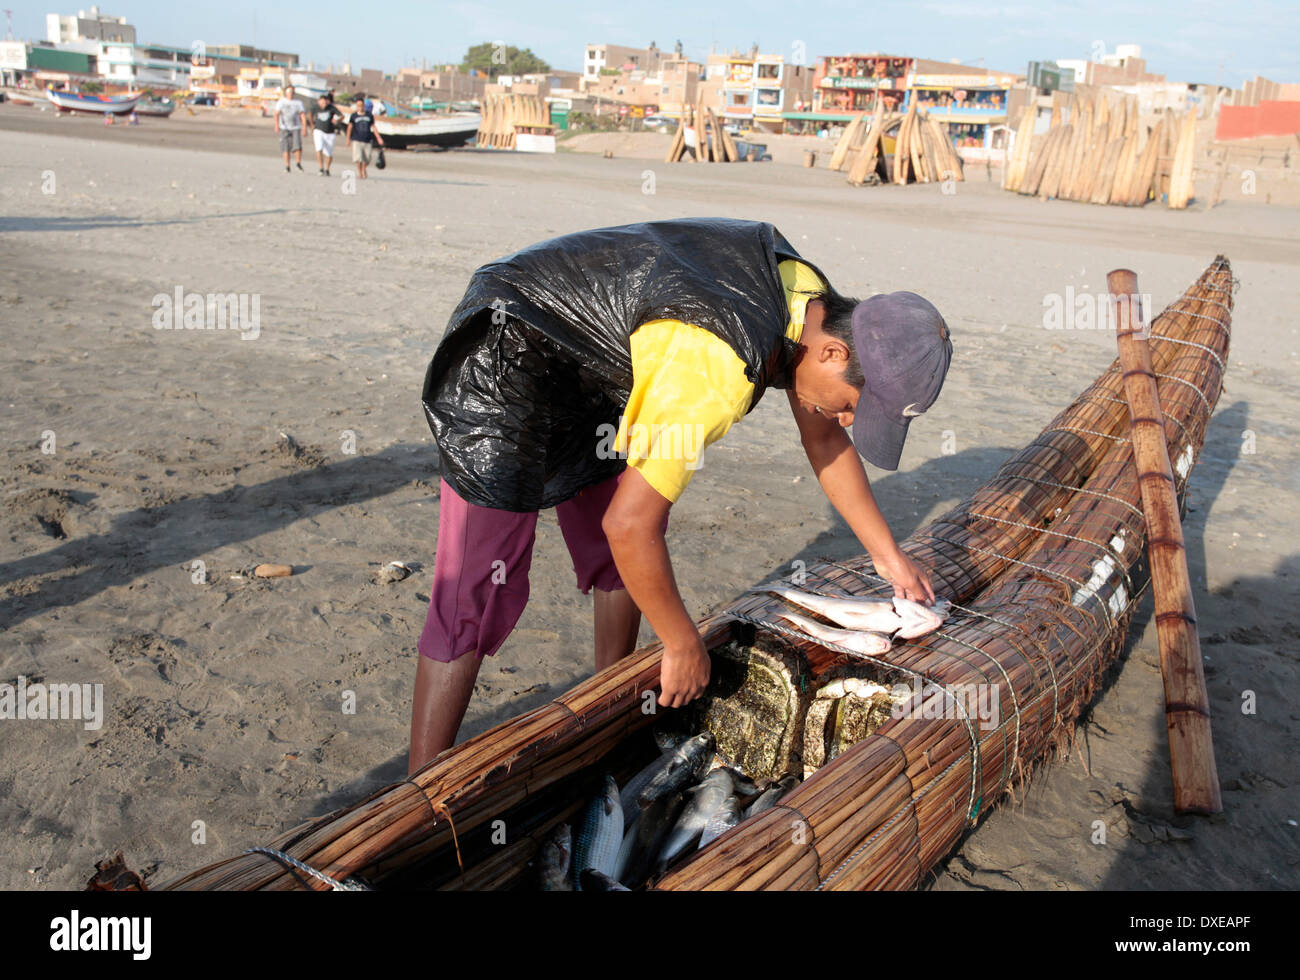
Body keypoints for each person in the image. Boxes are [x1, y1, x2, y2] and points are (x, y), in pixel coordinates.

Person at [407, 218, 953, 773]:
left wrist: (889, 557)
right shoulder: (715, 371)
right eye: (853, 406)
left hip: (600, 359)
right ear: (834, 353)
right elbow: (629, 526)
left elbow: (826, 441)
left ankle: (605, 717)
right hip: (508, 343)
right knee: (476, 586)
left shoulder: (812, 305)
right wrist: (681, 642)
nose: (846, 421)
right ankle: (417, 790)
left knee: (617, 557)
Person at [346, 96, 384, 179]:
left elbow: (373, 127)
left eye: (361, 105)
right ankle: (360, 172)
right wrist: (348, 139)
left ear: (364, 106)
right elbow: (350, 127)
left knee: (367, 159)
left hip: (367, 139)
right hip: (356, 139)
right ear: (356, 106)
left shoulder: (369, 115)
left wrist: (378, 137)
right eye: (358, 105)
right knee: (358, 158)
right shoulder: (354, 116)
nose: (360, 107)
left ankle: (364, 169)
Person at [273, 84, 307, 172]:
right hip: (284, 127)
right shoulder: (281, 102)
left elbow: (302, 115)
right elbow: (277, 114)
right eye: (288, 91)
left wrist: (304, 127)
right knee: (285, 147)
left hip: (296, 127)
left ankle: (298, 163)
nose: (290, 93)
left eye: (292, 91)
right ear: (285, 93)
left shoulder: (298, 103)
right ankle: (287, 165)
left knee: (297, 146)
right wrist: (276, 125)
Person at [311, 93, 345, 176]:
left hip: (330, 132)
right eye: (322, 102)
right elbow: (310, 114)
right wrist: (312, 124)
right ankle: (321, 168)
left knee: (328, 153)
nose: (324, 104)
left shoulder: (331, 108)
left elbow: (342, 116)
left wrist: (337, 120)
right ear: (319, 101)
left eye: (325, 102)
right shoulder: (315, 107)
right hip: (318, 130)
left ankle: (327, 169)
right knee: (319, 148)